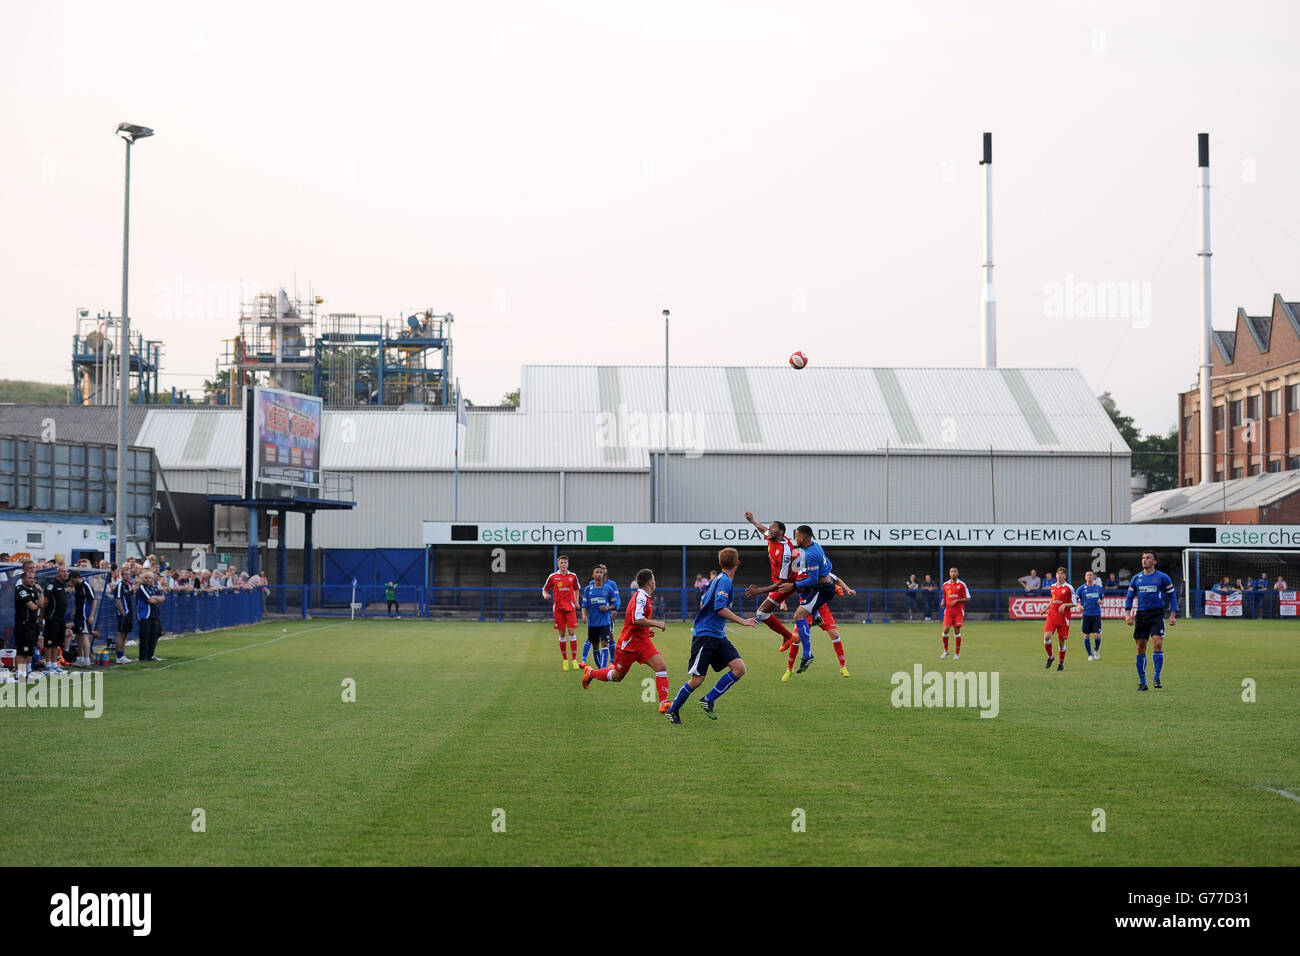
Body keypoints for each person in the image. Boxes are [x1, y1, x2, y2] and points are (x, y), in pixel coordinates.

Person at [665, 547, 756, 723]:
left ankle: (709, 699)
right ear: (738, 563)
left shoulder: (718, 579)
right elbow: (720, 608)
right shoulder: (724, 582)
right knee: (697, 679)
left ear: (720, 563)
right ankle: (673, 710)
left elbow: (703, 601)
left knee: (739, 668)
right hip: (706, 636)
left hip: (717, 635)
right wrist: (742, 621)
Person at [582, 568, 671, 712]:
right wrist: (657, 623)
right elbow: (636, 619)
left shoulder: (645, 597)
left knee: (661, 667)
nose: (655, 582)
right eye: (653, 579)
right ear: (650, 582)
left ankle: (663, 703)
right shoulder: (641, 597)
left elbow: (636, 620)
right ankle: (591, 673)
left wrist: (647, 630)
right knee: (617, 677)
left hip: (643, 643)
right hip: (628, 646)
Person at [740, 511, 800, 651]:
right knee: (762, 613)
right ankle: (788, 636)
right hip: (778, 580)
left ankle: (789, 636)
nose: (769, 529)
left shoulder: (785, 552)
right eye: (770, 527)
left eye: (773, 527)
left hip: (786, 585)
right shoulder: (773, 537)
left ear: (781, 532)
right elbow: (763, 530)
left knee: (761, 614)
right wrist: (752, 520)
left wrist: (758, 591)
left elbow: (782, 584)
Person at [787, 526, 841, 673]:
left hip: (822, 590)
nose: (795, 539)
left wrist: (793, 585)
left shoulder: (811, 554)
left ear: (803, 537)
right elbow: (829, 565)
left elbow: (812, 580)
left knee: (798, 615)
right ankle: (816, 615)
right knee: (801, 587)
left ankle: (807, 654)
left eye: (797, 536)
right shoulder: (816, 545)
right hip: (822, 586)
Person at [1124, 550, 1177, 691]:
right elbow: (1129, 598)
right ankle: (1142, 682)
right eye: (1143, 558)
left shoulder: (1162, 577)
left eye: (1148, 558)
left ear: (1154, 562)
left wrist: (1172, 615)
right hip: (1141, 616)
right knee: (1140, 647)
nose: (1144, 560)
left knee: (1158, 643)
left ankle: (1157, 677)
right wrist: (1127, 614)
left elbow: (1172, 596)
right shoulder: (1136, 578)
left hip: (1156, 615)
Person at [542, 554, 581, 670]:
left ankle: (574, 659)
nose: (563, 564)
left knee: (572, 632)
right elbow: (544, 589)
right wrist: (545, 595)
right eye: (561, 562)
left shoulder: (573, 576)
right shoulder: (553, 577)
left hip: (570, 608)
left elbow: (576, 589)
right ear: (558, 564)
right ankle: (565, 660)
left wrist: (577, 602)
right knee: (562, 633)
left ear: (568, 564)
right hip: (558, 609)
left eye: (565, 562)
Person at [580, 563, 621, 668]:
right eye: (597, 572)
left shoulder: (609, 588)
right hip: (592, 623)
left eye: (601, 572)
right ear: (593, 575)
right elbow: (584, 605)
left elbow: (615, 604)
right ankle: (599, 667)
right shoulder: (588, 589)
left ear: (604, 575)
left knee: (604, 644)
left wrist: (607, 608)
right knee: (595, 645)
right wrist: (584, 615)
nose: (599, 574)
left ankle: (604, 668)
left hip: (605, 622)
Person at [12, 561, 44, 682]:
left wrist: (40, 591)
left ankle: (24, 673)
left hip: (32, 624)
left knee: (28, 650)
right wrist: (37, 605)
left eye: (33, 578)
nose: (32, 580)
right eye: (30, 578)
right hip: (23, 624)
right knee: (22, 651)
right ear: (23, 579)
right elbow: (33, 607)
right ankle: (18, 674)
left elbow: (41, 604)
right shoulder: (21, 589)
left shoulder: (33, 589)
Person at [1042, 567, 1078, 671]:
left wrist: (1065, 605)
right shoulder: (1052, 586)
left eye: (1062, 574)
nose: (1060, 575)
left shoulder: (1069, 588)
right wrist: (1046, 609)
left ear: (1065, 576)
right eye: (1058, 573)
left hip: (1063, 618)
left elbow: (1074, 603)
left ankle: (1061, 664)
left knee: (1061, 641)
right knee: (1046, 637)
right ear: (1056, 575)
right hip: (1052, 615)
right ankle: (1051, 657)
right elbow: (1053, 600)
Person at [41, 563, 72, 671]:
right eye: (63, 572)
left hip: (61, 618)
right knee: (49, 642)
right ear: (58, 573)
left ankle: (55, 664)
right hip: (52, 617)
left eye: (66, 572)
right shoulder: (52, 584)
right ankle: (48, 664)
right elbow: (45, 599)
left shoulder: (63, 586)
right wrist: (43, 613)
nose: (65, 574)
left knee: (57, 643)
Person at [938, 567, 970, 659]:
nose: (953, 573)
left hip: (958, 612)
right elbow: (944, 597)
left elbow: (968, 598)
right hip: (948, 611)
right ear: (949, 573)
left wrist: (957, 601)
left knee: (957, 631)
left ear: (958, 574)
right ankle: (946, 651)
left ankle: (957, 654)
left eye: (955, 572)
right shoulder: (945, 585)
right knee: (945, 630)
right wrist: (943, 602)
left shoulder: (962, 584)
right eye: (951, 571)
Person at [68, 570, 97, 667]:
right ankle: (81, 658)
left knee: (84, 635)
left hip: (85, 615)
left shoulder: (86, 586)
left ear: (77, 578)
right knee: (78, 636)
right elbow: (79, 601)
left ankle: (87, 659)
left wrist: (92, 615)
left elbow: (93, 600)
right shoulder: (77, 587)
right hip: (78, 615)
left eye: (72, 580)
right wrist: (75, 611)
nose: (71, 582)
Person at [136, 571, 166, 662]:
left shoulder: (153, 588)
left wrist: (156, 598)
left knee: (155, 635)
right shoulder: (141, 588)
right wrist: (157, 599)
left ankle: (151, 655)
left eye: (151, 578)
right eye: (147, 578)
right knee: (145, 637)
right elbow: (150, 600)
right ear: (142, 579)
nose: (149, 580)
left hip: (154, 615)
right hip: (145, 615)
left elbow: (162, 597)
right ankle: (143, 657)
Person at [1077, 569, 1105, 661]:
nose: (1089, 576)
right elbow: (1075, 599)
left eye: (1091, 575)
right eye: (1087, 575)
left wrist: (1100, 602)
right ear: (1085, 577)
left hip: (1096, 615)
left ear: (1093, 577)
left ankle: (1096, 650)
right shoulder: (1081, 588)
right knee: (1086, 635)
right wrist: (1079, 605)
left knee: (1097, 635)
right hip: (1086, 615)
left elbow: (1102, 600)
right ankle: (1089, 654)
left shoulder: (1098, 588)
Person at [111, 566, 136, 665]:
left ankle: (122, 654)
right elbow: (117, 599)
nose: (128, 576)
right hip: (124, 614)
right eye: (126, 574)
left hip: (128, 613)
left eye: (129, 574)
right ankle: (119, 656)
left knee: (125, 634)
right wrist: (123, 613)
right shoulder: (120, 585)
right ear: (122, 575)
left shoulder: (127, 586)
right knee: (121, 634)